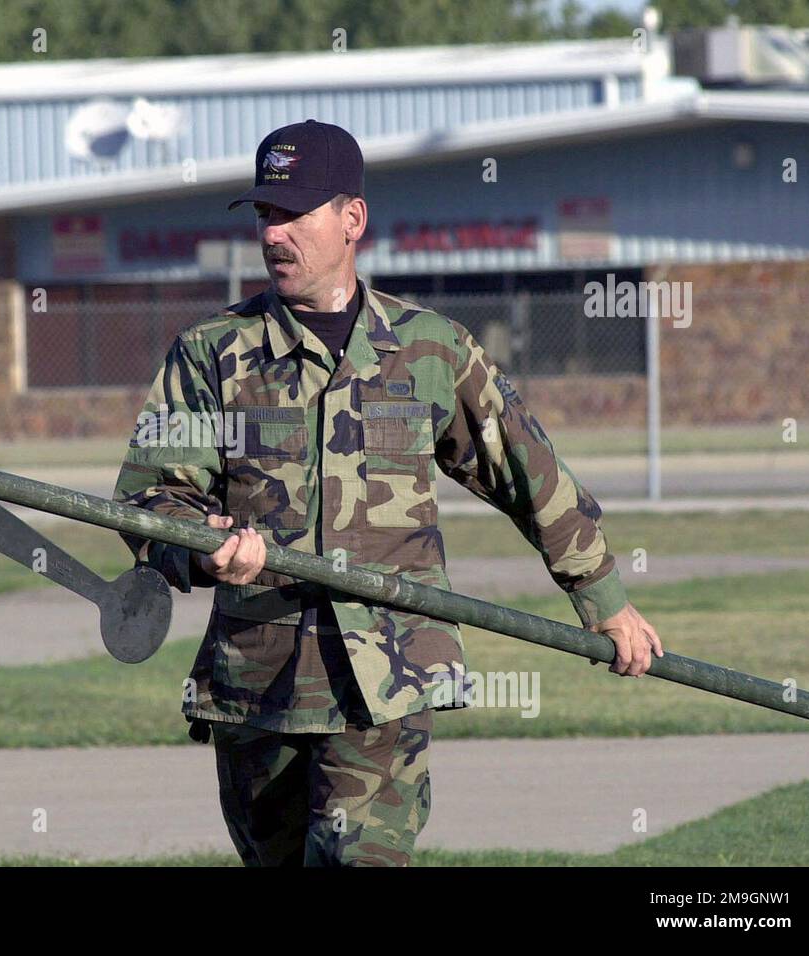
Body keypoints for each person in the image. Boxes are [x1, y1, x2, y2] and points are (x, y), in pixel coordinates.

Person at [112, 119, 663, 867]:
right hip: (258, 686)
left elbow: (529, 473)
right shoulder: (212, 353)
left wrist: (603, 599)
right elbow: (150, 497)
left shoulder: (430, 349)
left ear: (352, 219)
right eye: (267, 215)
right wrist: (203, 551)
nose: (275, 234)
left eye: (294, 214)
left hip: (390, 680)